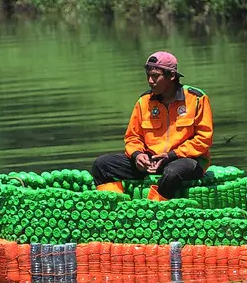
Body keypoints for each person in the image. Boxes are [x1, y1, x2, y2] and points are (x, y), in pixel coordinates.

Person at [91, 51, 214, 201]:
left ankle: (153, 211)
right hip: (152, 161)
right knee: (102, 165)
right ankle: (115, 209)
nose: (150, 81)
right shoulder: (144, 102)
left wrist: (171, 156)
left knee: (172, 172)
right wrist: (138, 155)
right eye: (148, 75)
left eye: (155, 76)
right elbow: (132, 137)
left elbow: (204, 139)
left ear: (172, 76)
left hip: (187, 160)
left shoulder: (197, 99)